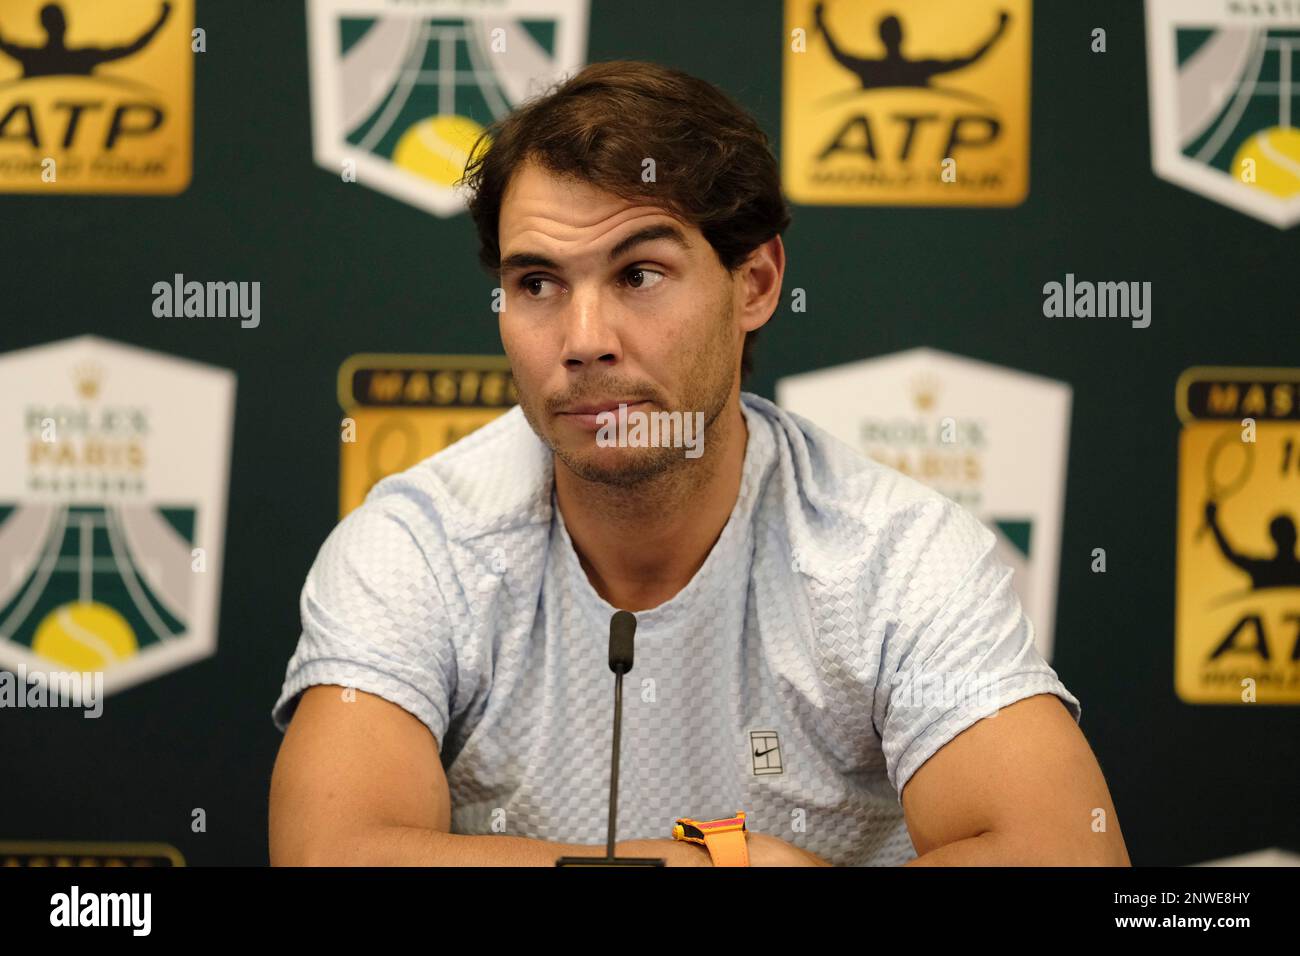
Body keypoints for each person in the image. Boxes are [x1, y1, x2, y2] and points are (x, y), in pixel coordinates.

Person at [268, 59, 1129, 867]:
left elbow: (1073, 856)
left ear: (753, 284)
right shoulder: (419, 542)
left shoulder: (892, 555)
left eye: (640, 274)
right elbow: (329, 855)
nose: (584, 341)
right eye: (539, 284)